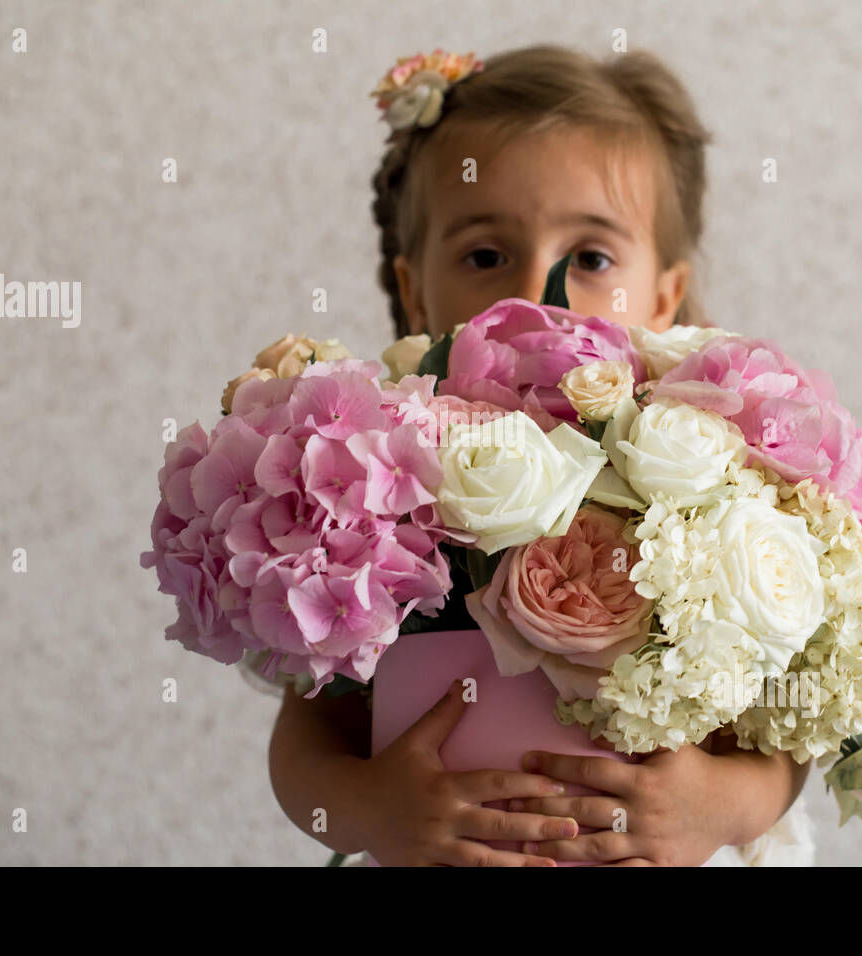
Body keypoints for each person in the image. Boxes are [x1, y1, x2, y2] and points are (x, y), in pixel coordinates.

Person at [249, 44, 815, 866]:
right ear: (413, 290)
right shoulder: (376, 488)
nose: (533, 292)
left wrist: (719, 808)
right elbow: (306, 738)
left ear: (664, 292)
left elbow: (787, 732)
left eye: (589, 257)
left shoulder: (723, 479)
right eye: (485, 255)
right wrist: (369, 813)